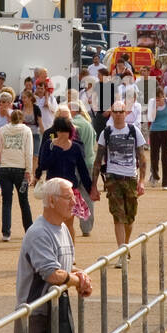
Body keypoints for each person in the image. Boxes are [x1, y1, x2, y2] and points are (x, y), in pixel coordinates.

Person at [13, 177, 93, 333]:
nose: (74, 202)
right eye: (68, 198)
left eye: (74, 197)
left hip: (55, 314)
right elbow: (51, 273)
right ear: (51, 201)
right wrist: (76, 280)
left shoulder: (63, 229)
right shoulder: (39, 233)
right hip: (35, 317)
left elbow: (64, 267)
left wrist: (81, 275)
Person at [92, 100, 148, 247]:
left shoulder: (134, 131)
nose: (118, 115)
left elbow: (142, 158)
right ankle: (121, 251)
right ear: (111, 113)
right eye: (115, 112)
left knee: (130, 218)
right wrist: (93, 186)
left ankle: (125, 245)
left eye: (120, 112)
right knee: (118, 216)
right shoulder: (106, 133)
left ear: (126, 113)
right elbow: (98, 160)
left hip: (130, 178)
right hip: (113, 178)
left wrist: (141, 181)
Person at [34, 117, 92, 241]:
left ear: (70, 132)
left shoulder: (76, 148)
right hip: (52, 190)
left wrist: (91, 189)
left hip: (69, 190)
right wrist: (56, 149)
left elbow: (83, 170)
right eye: (59, 131)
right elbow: (43, 165)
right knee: (53, 221)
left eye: (65, 131)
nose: (62, 134)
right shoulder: (48, 145)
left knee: (69, 223)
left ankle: (71, 254)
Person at [0, 109, 34, 242]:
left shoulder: (2, 129)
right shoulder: (26, 130)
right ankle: (29, 230)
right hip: (20, 168)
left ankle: (6, 232)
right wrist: (29, 170)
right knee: (24, 201)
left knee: (7, 202)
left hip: (5, 167)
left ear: (10, 118)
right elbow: (29, 152)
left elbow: (1, 148)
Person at [68, 101, 97, 236]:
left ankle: (68, 225)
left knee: (70, 194)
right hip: (89, 162)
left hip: (76, 163)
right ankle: (87, 227)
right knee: (87, 196)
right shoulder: (88, 124)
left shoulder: (74, 125)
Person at [146, 86, 167, 190]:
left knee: (165, 157)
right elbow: (150, 118)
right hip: (154, 130)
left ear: (163, 96)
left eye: (160, 97)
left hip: (166, 130)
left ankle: (166, 182)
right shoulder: (152, 102)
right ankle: (154, 174)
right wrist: (155, 107)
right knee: (154, 156)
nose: (158, 100)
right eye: (156, 98)